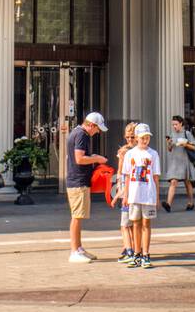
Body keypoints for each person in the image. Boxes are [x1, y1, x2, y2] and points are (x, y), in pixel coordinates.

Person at [66, 110, 108, 263]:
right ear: (91, 125)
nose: (97, 132)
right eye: (97, 128)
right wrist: (96, 158)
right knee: (77, 216)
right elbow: (79, 158)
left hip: (77, 180)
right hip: (78, 181)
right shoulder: (82, 135)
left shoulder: (76, 133)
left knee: (78, 216)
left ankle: (78, 248)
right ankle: (74, 250)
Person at [121, 122, 161, 270]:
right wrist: (125, 195)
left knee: (146, 224)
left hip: (148, 195)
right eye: (142, 137)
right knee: (135, 224)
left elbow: (156, 177)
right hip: (134, 194)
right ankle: (136, 253)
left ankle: (146, 254)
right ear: (137, 138)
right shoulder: (130, 154)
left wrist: (157, 197)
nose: (145, 140)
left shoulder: (153, 154)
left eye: (147, 137)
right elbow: (126, 176)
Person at [112, 121, 137, 263]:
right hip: (125, 187)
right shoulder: (123, 151)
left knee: (128, 222)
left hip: (135, 189)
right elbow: (120, 170)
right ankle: (128, 247)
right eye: (127, 137)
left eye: (132, 137)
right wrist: (118, 186)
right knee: (127, 220)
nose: (129, 140)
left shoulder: (140, 151)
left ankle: (130, 249)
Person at [162, 115, 195, 213]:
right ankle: (168, 204)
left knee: (187, 183)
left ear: (181, 124)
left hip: (184, 161)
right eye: (173, 125)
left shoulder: (187, 133)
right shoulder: (172, 134)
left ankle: (191, 202)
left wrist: (185, 144)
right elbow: (169, 149)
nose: (174, 126)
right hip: (174, 161)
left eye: (176, 124)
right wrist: (169, 143)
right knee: (173, 182)